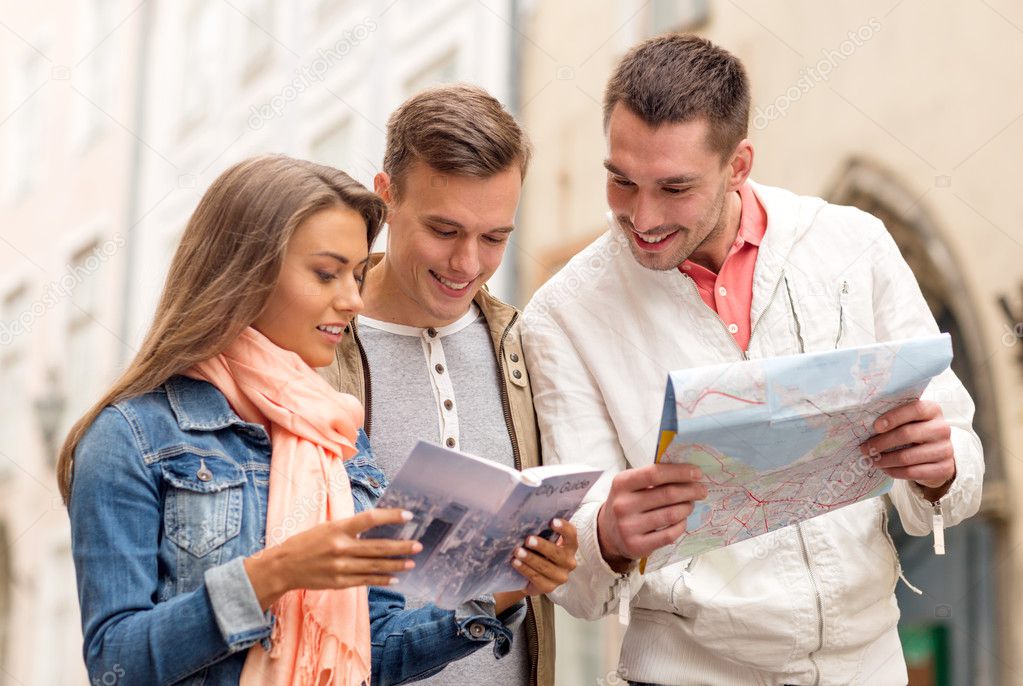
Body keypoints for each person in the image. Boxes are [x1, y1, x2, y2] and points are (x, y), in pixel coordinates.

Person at [522, 34, 984, 685]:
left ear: (737, 164)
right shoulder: (562, 315)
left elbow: (958, 449)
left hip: (871, 665)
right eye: (621, 180)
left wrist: (940, 468)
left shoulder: (854, 243)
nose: (642, 217)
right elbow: (573, 571)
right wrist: (605, 535)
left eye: (674, 187)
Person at [60, 155, 567, 686]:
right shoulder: (130, 437)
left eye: (356, 275)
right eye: (327, 274)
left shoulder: (337, 435)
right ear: (245, 273)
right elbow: (115, 662)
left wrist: (505, 588)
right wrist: (274, 574)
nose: (352, 300)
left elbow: (373, 649)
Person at [319, 84, 569, 686]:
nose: (467, 263)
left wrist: (556, 558)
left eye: (495, 238)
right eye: (444, 230)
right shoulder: (315, 346)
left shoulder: (522, 345)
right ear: (386, 197)